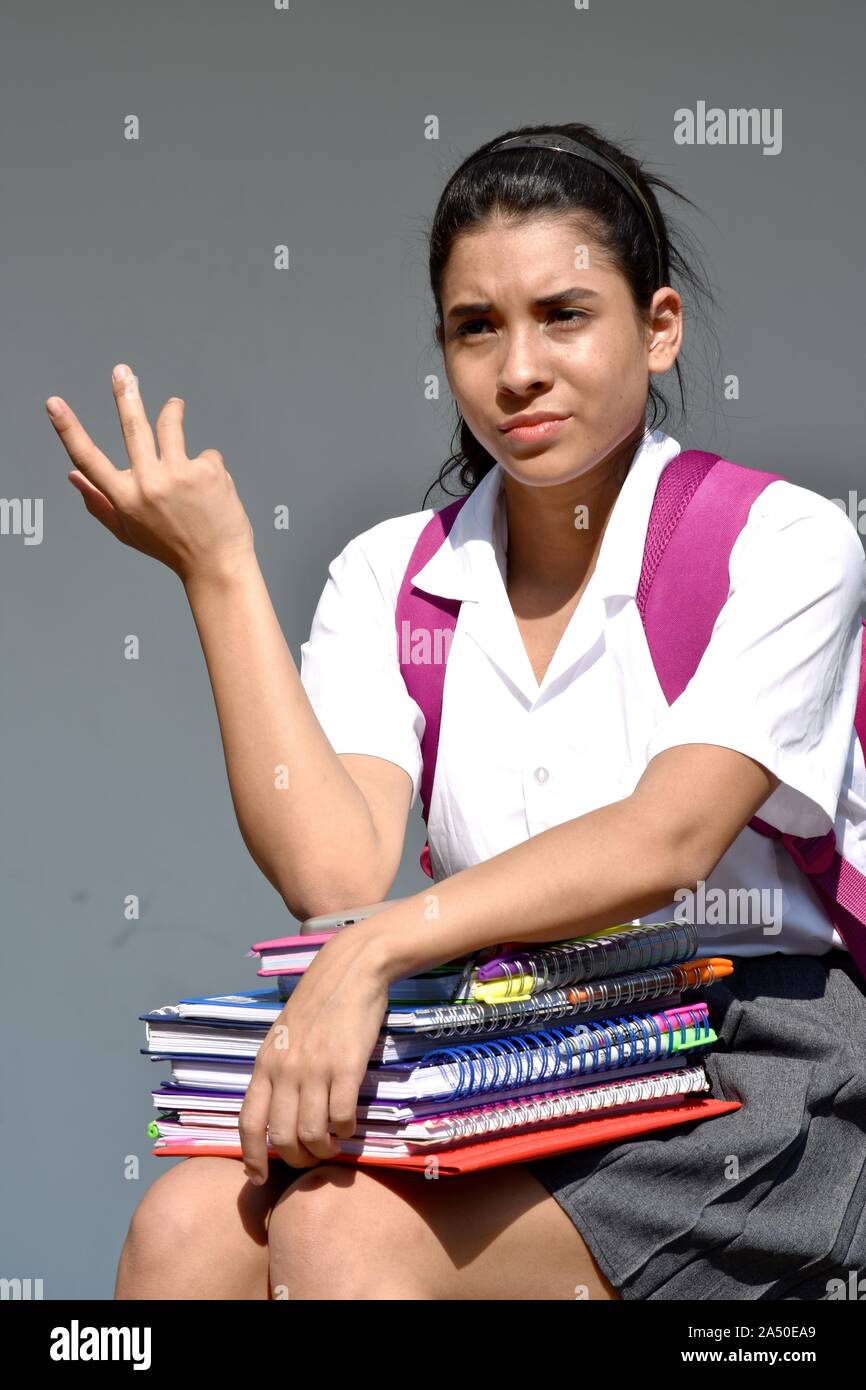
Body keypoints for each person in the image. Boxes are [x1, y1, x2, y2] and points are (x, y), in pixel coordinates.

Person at [47, 122, 866, 1301]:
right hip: (499, 1049)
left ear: (659, 327)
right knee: (185, 1226)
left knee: (339, 1235)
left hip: (734, 1065)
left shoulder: (779, 542)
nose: (516, 367)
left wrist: (381, 945)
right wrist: (217, 570)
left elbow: (666, 840)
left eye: (563, 315)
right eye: (475, 326)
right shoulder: (392, 575)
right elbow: (332, 872)